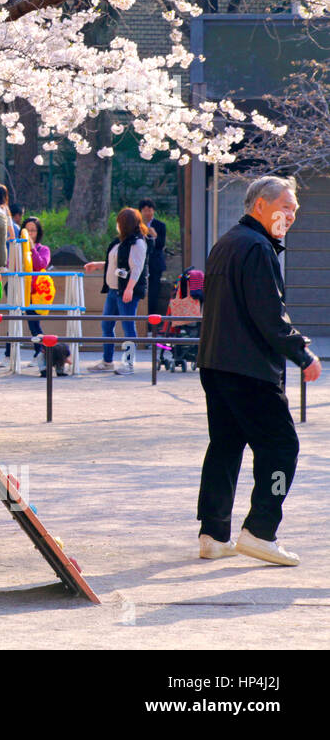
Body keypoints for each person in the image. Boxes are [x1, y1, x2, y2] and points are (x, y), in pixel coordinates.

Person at [195, 176, 320, 566]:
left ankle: (213, 534)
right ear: (260, 206)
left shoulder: (228, 242)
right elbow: (269, 315)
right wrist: (303, 354)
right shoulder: (258, 248)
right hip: (249, 369)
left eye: (295, 208)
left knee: (226, 446)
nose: (291, 214)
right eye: (285, 206)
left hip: (216, 363)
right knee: (282, 448)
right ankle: (260, 530)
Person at [84, 208, 148, 374]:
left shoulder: (137, 243)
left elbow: (137, 268)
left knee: (128, 326)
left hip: (125, 291)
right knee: (107, 324)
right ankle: (107, 361)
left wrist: (129, 288)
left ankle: (129, 363)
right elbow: (116, 264)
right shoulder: (120, 241)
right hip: (113, 290)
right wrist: (98, 265)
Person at [22, 216, 50, 362]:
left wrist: (32, 248)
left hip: (35, 292)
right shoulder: (18, 248)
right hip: (20, 289)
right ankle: (8, 354)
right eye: (27, 230)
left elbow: (41, 264)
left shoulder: (43, 249)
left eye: (33, 230)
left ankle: (40, 352)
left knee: (34, 323)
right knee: (15, 321)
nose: (30, 233)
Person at [139, 198, 168, 325]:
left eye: (150, 210)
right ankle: (141, 320)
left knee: (154, 292)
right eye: (145, 210)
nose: (147, 213)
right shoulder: (136, 225)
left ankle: (152, 322)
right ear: (140, 212)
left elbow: (161, 245)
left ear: (154, 211)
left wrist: (154, 236)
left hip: (155, 264)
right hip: (140, 264)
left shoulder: (160, 225)